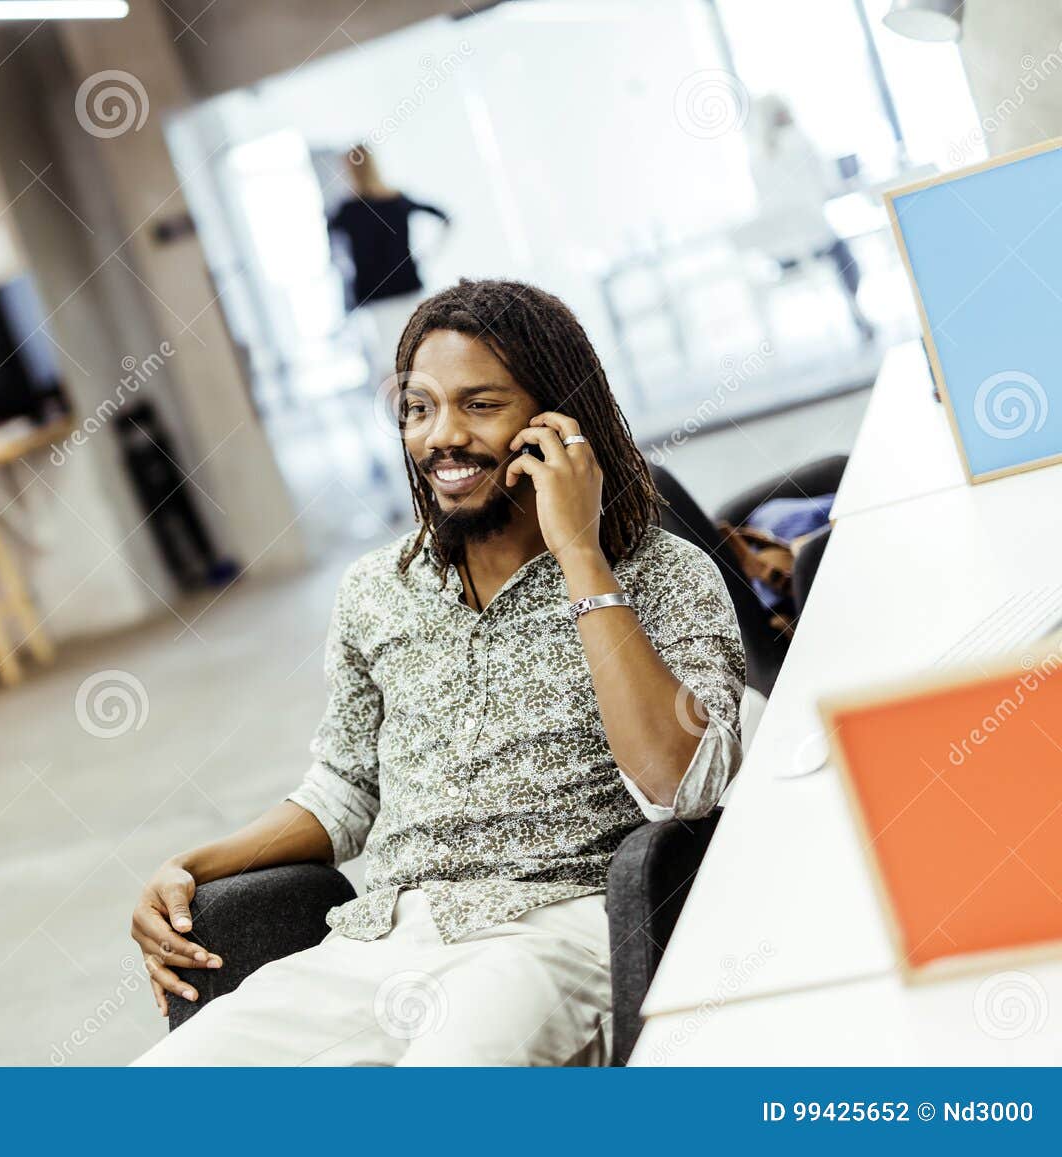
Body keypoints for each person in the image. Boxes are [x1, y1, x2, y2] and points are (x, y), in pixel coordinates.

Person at [130, 279, 746, 1066]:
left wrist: (582, 556)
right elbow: (346, 789)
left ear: (558, 423)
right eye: (419, 409)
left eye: (480, 405)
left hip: (558, 927)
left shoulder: (664, 575)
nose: (440, 437)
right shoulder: (375, 590)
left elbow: (682, 786)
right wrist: (189, 864)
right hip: (383, 940)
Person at [743, 95, 875, 344]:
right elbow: (830, 184)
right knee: (845, 257)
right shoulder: (800, 141)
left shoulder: (756, 156)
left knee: (830, 247)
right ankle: (858, 314)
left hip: (782, 256)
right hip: (817, 245)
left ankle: (856, 318)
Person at [328, 145, 451, 381]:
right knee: (422, 350)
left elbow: (335, 253)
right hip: (406, 285)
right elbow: (445, 217)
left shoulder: (347, 211)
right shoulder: (397, 200)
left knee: (390, 363)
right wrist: (426, 255)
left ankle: (409, 414)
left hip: (375, 295)